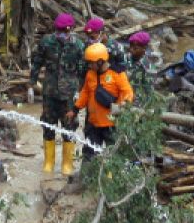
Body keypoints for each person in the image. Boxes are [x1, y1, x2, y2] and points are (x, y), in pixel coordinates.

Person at [29, 12, 86, 175]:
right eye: (60, 31)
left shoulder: (78, 46)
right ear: (56, 30)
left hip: (69, 95)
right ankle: (49, 161)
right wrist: (31, 84)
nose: (63, 35)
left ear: (72, 30)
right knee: (48, 124)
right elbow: (37, 63)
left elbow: (83, 71)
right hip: (50, 93)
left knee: (69, 126)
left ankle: (67, 163)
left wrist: (80, 92)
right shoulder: (47, 42)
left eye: (66, 32)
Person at [74, 43, 134, 164]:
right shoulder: (90, 74)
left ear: (100, 62)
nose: (90, 66)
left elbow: (127, 92)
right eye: (88, 63)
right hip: (93, 123)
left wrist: (122, 105)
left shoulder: (117, 74)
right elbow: (85, 92)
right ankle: (87, 178)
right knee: (89, 154)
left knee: (114, 155)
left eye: (92, 63)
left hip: (111, 124)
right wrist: (75, 108)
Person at [125, 31, 155, 102]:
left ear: (144, 48)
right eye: (130, 47)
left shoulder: (148, 67)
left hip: (136, 102)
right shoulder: (127, 58)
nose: (131, 50)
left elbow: (148, 91)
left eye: (135, 48)